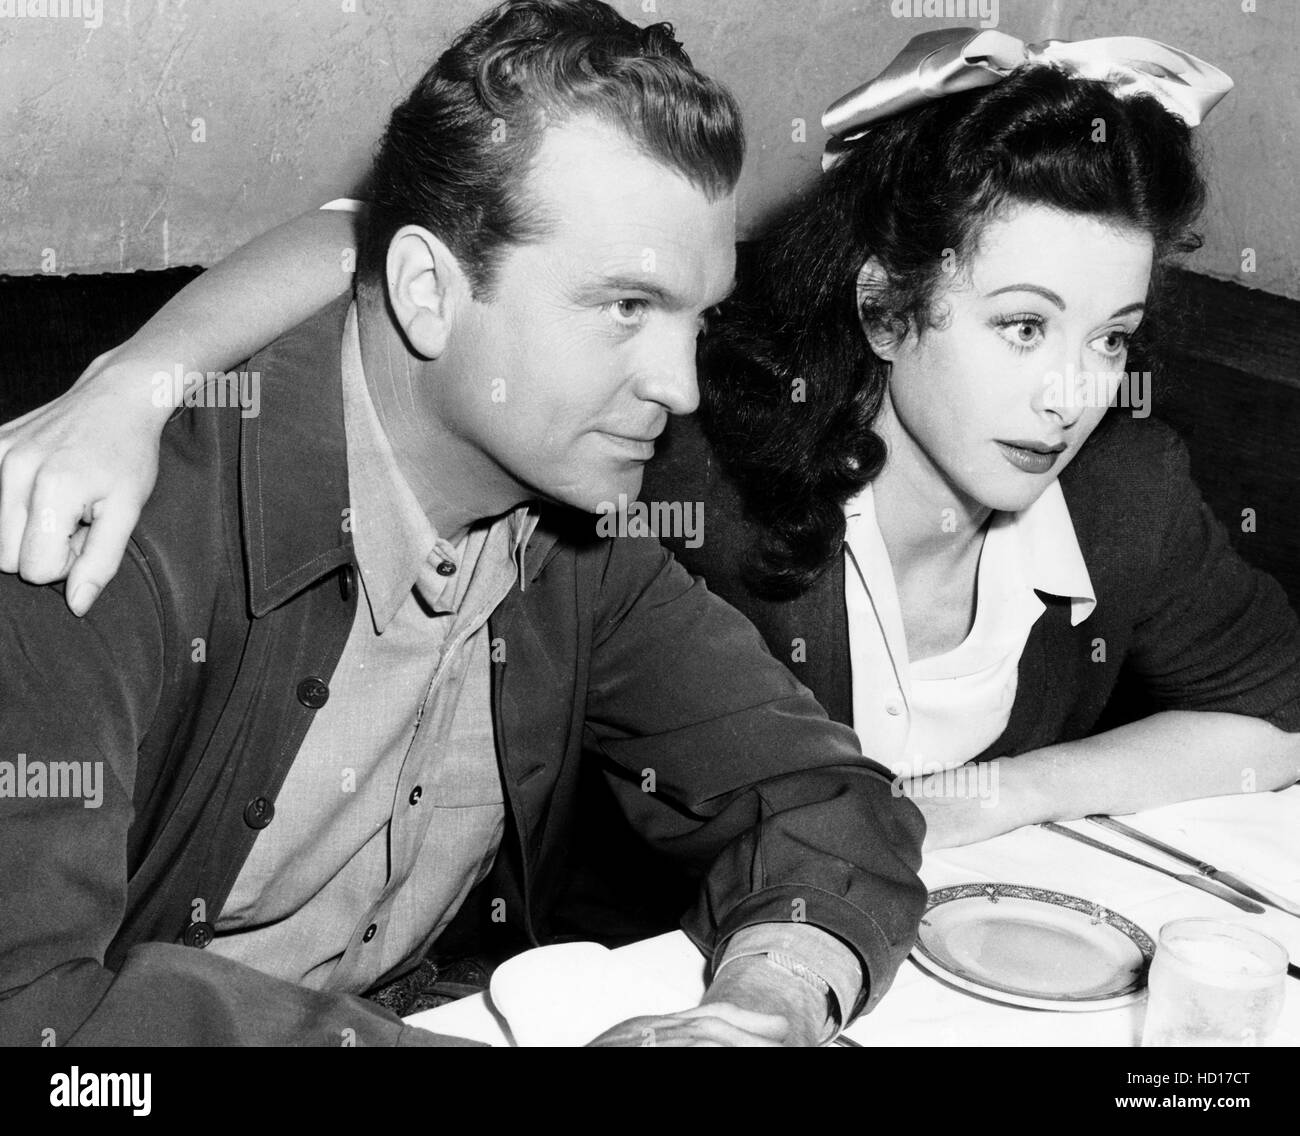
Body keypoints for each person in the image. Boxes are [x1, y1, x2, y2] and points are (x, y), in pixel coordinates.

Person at [0, 0, 930, 1047]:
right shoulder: (95, 545)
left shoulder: (576, 536)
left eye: (696, 316)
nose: (681, 387)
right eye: (625, 305)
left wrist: (764, 1002)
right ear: (427, 294)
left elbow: (822, 797)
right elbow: (39, 1026)